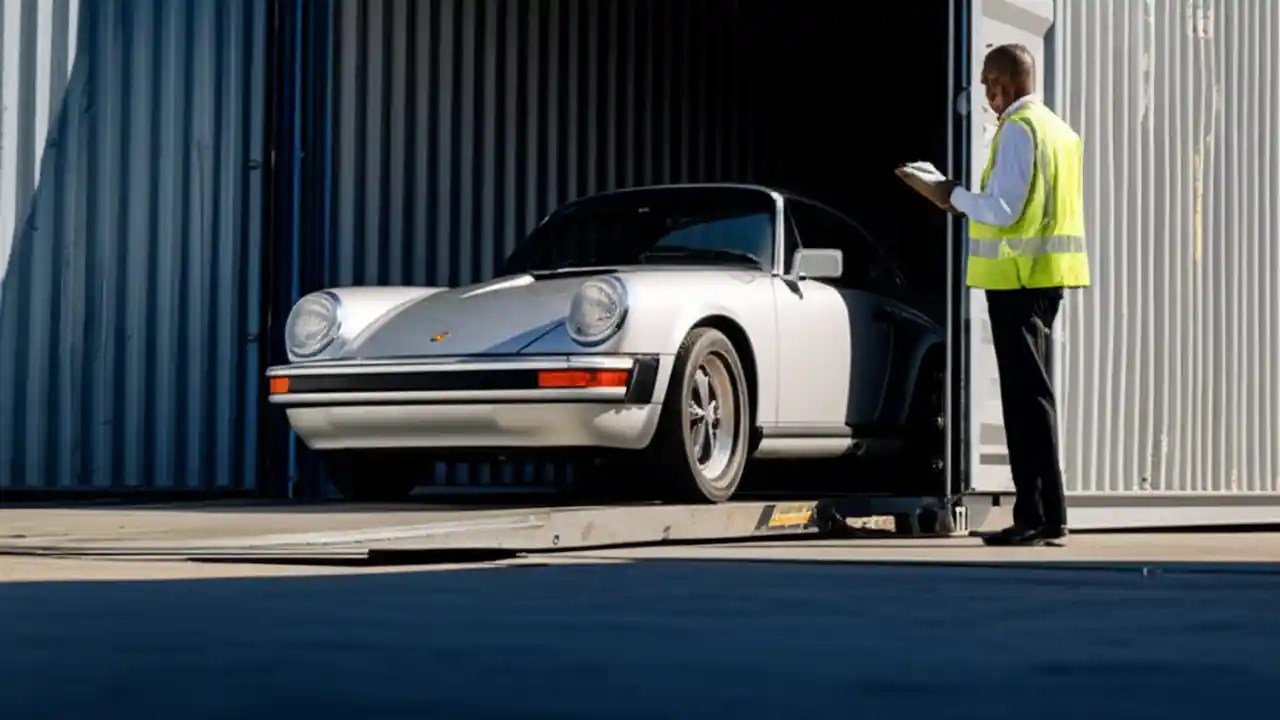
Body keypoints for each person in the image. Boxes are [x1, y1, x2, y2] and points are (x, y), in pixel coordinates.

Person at [917, 43, 1090, 546]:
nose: (987, 91)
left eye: (990, 80)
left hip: (1017, 281)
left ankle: (1034, 515)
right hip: (1045, 278)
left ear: (1006, 82)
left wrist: (948, 196)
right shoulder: (1059, 131)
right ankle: (1048, 514)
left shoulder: (1019, 130)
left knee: (1024, 401)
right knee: (1034, 398)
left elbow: (1004, 209)